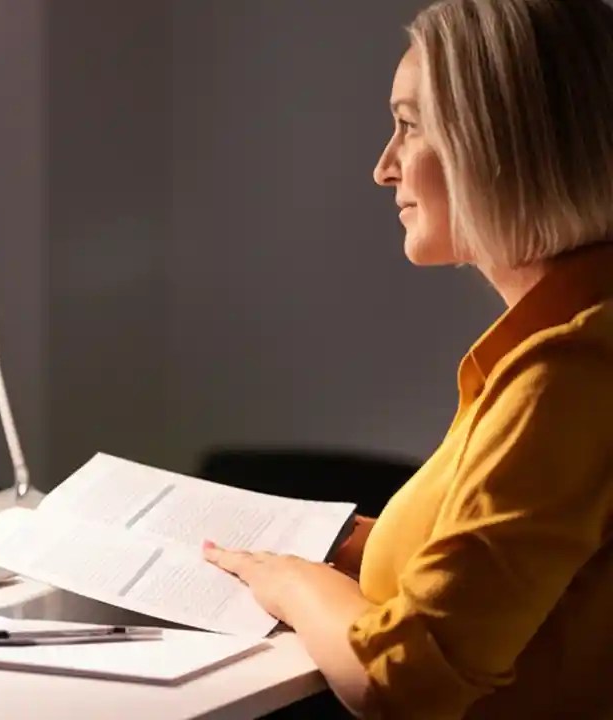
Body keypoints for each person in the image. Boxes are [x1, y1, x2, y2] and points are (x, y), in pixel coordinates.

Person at [202, 0, 613, 717]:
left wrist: (292, 584)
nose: (383, 168)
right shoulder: (571, 343)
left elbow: (404, 681)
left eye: (409, 125)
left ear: (502, 143)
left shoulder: (565, 375)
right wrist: (345, 546)